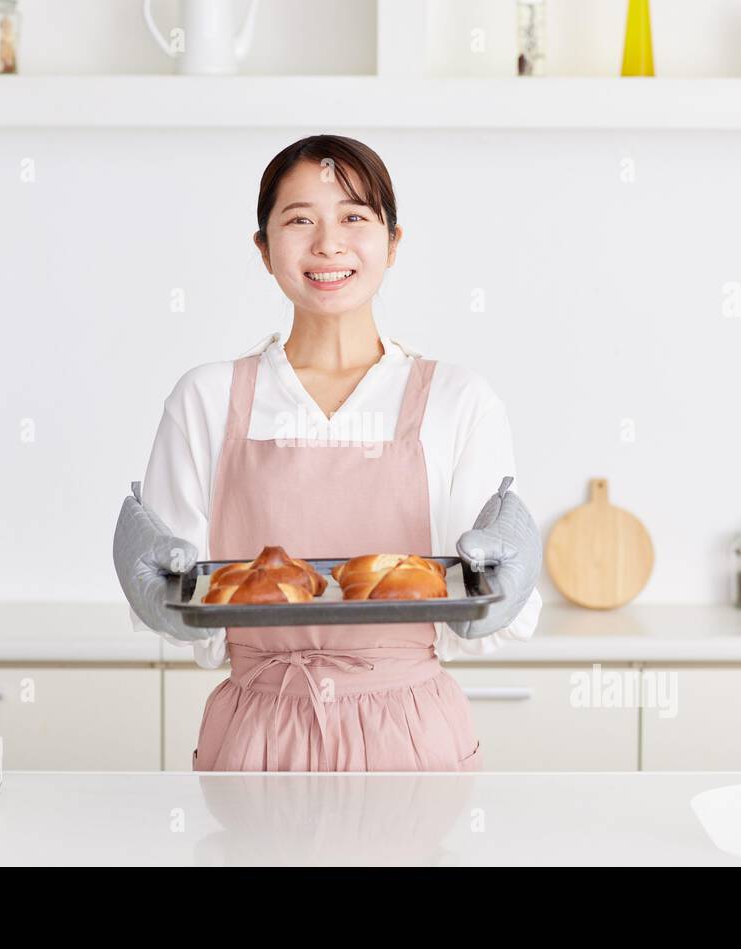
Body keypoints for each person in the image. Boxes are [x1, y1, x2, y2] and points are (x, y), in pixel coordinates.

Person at [114, 134, 542, 772]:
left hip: (411, 732)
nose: (328, 244)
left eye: (353, 217)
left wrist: (508, 590)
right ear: (263, 249)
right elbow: (183, 604)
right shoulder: (205, 397)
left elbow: (483, 616)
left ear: (393, 242)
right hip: (258, 729)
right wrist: (157, 598)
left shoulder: (459, 399)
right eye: (299, 220)